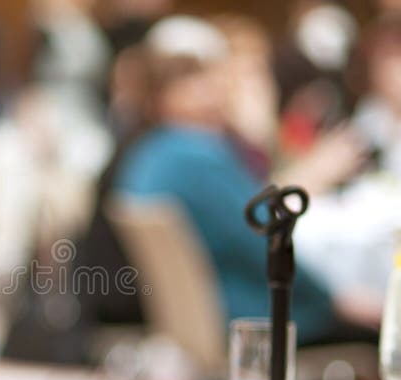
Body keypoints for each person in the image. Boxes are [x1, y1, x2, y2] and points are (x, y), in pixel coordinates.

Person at [114, 16, 376, 346]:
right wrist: (336, 299)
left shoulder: (149, 154)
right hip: (255, 322)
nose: (210, 90)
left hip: (214, 319)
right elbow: (268, 239)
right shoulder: (196, 155)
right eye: (192, 79)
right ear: (159, 93)